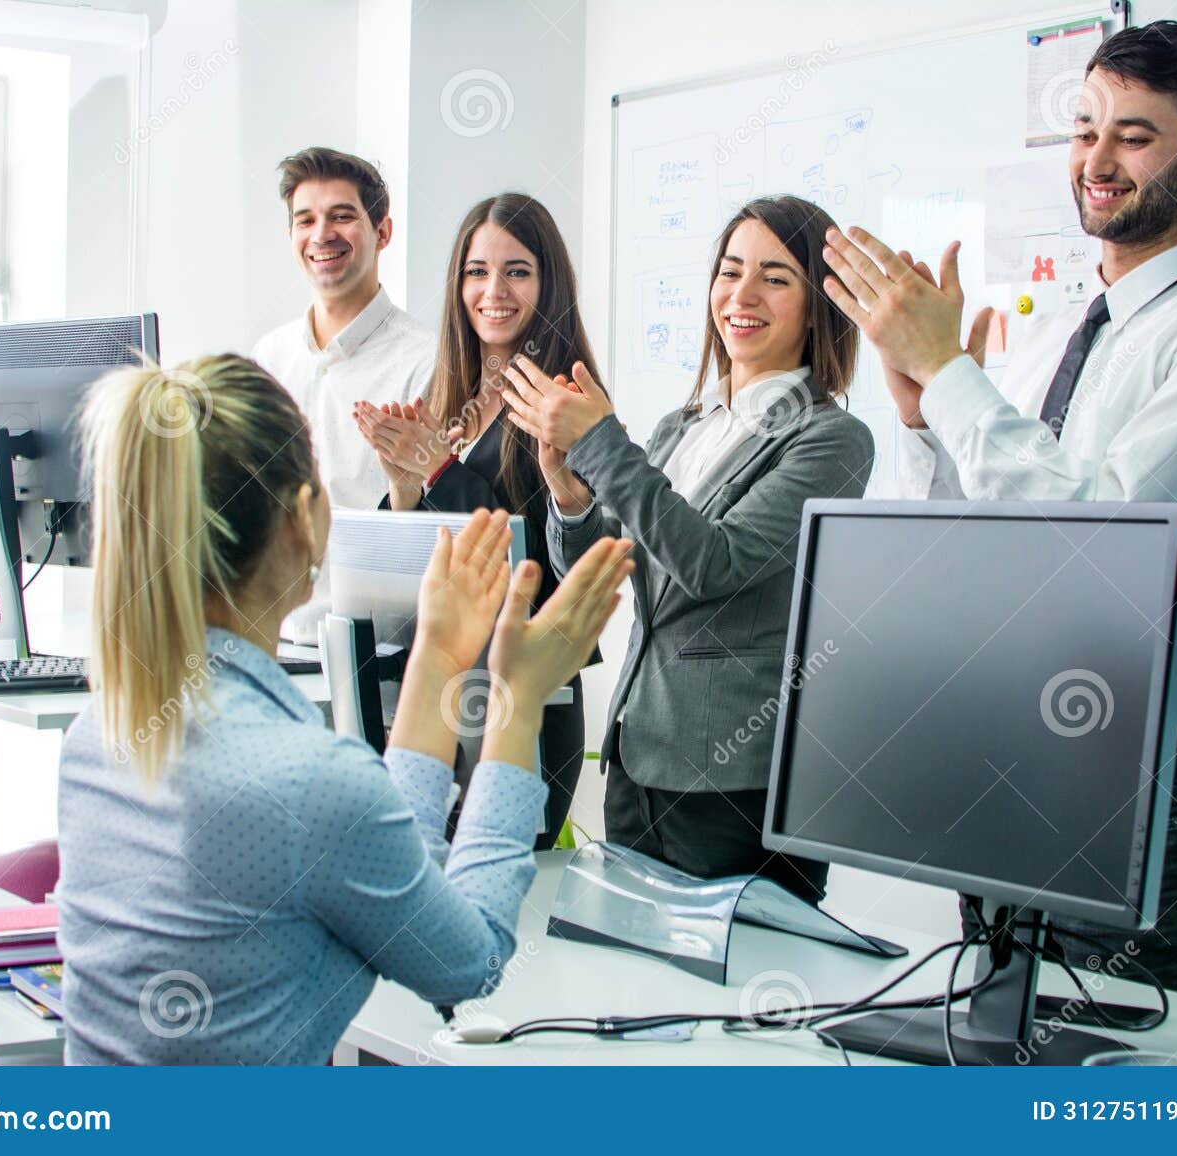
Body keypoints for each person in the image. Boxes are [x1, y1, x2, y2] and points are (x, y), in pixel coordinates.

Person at [820, 21, 1177, 997]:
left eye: (1134, 135)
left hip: (1136, 775)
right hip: (1009, 753)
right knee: (989, 1043)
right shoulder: (1046, 342)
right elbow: (970, 545)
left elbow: (1100, 536)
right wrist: (921, 416)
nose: (1096, 160)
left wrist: (952, 371)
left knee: (1110, 1067)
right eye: (1084, 130)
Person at [56, 354, 632, 1064]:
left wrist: (438, 662)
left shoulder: (98, 735)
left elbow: (381, 861)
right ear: (306, 518)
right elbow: (467, 962)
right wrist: (517, 702)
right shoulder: (306, 781)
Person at [500, 195, 876, 903]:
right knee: (636, 987)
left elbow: (713, 564)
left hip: (736, 775)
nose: (742, 294)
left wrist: (602, 443)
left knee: (742, 995)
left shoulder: (830, 438)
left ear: (818, 305)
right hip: (639, 756)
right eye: (730, 270)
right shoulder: (683, 426)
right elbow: (606, 572)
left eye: (775, 276)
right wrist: (572, 496)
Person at [352, 193, 599, 850]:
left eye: (517, 270)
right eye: (476, 271)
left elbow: (541, 566)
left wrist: (436, 471)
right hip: (436, 684)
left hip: (523, 695)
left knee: (495, 889)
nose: (494, 291)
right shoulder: (452, 401)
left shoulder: (565, 403)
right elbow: (415, 570)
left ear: (548, 283)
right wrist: (403, 488)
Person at [251, 146, 435, 641]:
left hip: (378, 652)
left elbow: (434, 532)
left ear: (382, 231)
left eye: (342, 216)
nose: (321, 235)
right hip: (274, 641)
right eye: (304, 220)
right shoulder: (268, 357)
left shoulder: (426, 362)